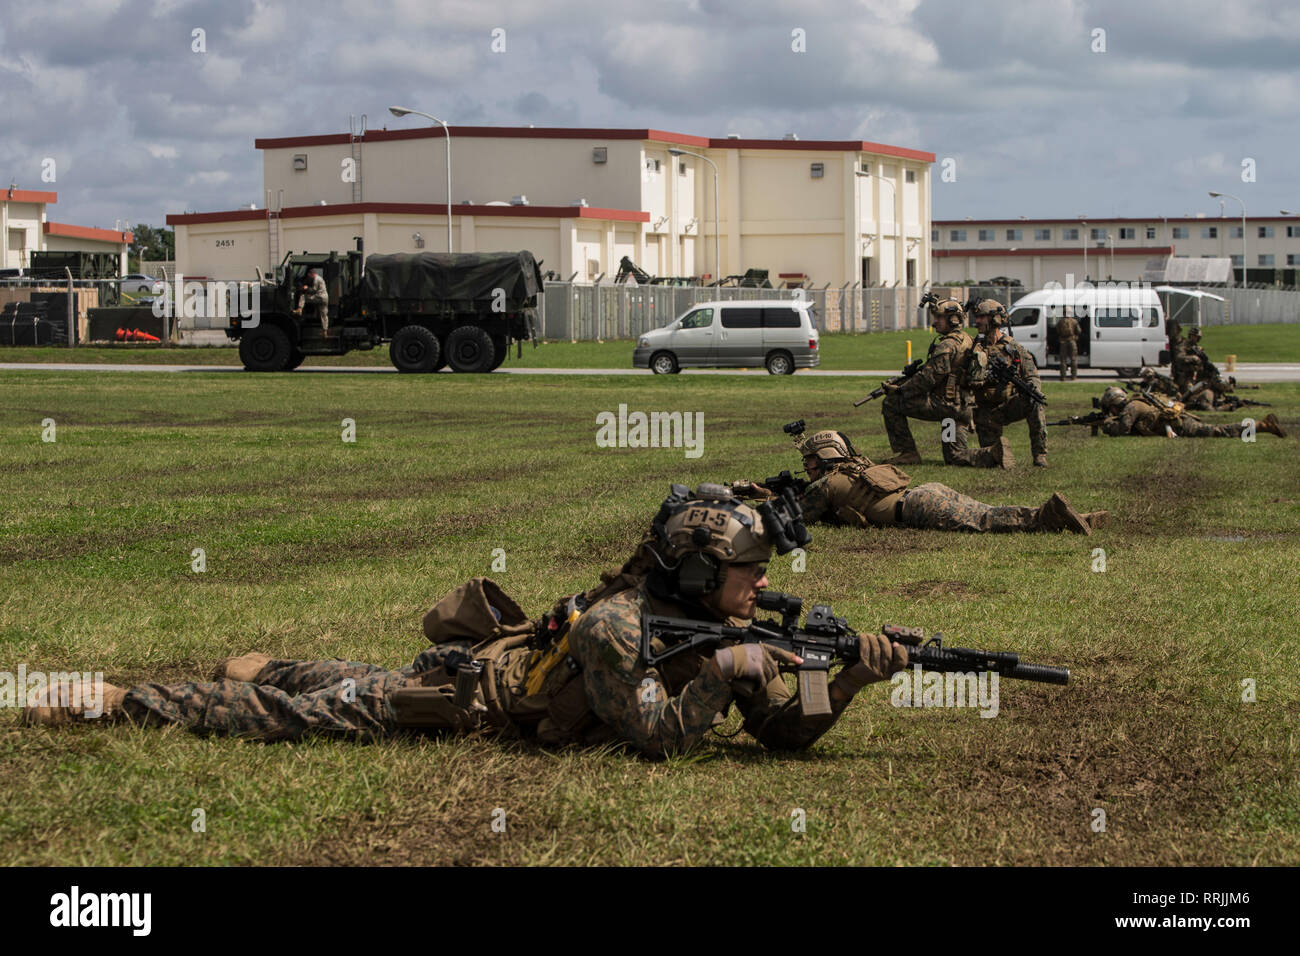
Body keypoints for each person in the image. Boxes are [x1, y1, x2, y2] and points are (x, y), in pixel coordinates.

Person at [25, 485, 908, 758]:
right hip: (464, 700)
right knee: (318, 713)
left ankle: (266, 664)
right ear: (696, 571)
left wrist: (853, 676)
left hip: (481, 675)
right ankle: (116, 699)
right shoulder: (620, 628)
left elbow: (786, 736)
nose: (762, 586)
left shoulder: (710, 625)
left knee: (341, 678)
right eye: (750, 572)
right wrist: (726, 675)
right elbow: (655, 740)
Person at [733, 428, 1108, 535]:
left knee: (986, 521)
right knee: (989, 512)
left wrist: (755, 500)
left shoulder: (827, 485)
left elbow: (794, 515)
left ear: (826, 458)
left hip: (916, 507)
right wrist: (766, 491)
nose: (808, 468)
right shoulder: (855, 466)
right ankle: (1072, 517)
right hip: (926, 492)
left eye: (811, 461)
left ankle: (1050, 516)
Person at [878, 296, 973, 466]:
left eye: (939, 318)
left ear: (952, 319)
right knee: (954, 457)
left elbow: (927, 380)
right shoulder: (967, 339)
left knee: (891, 403)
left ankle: (908, 453)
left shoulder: (947, 346)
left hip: (946, 407)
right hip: (962, 408)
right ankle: (992, 454)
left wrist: (900, 390)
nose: (934, 323)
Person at [956, 298, 1050, 468]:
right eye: (976, 317)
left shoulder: (1014, 348)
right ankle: (1000, 451)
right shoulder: (973, 348)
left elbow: (1032, 375)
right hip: (985, 412)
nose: (977, 321)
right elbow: (961, 382)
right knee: (990, 458)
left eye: (982, 317)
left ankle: (1040, 455)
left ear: (995, 319)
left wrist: (1033, 388)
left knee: (1034, 401)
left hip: (1008, 406)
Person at [1094, 386, 1286, 438]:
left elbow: (1123, 429)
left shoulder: (1131, 408)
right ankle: (1260, 426)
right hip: (1179, 420)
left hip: (1181, 425)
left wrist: (1106, 425)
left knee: (1218, 431)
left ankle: (1261, 426)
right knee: (1218, 430)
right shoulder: (1137, 401)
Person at [295, 268, 330, 334]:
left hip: (319, 297)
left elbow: (313, 290)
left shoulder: (316, 279)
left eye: (309, 275)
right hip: (325, 298)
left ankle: (299, 309)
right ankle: (325, 331)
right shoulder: (319, 278)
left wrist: (306, 288)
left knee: (303, 296)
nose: (309, 277)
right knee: (324, 314)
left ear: (312, 274)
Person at [1056, 307, 1081, 381]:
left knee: (1063, 360)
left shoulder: (1060, 322)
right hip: (1072, 341)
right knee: (1073, 359)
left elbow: (1057, 331)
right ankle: (1073, 376)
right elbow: (1079, 331)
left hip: (1063, 342)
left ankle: (1063, 377)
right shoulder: (1074, 321)